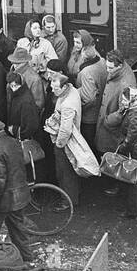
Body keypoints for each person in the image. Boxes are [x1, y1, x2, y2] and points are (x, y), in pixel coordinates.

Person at [0, 119, 37, 262]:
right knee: (18, 230)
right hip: (20, 194)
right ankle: (28, 258)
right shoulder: (13, 142)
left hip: (5, 199)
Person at [109, 86, 137, 220]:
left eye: (125, 99)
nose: (123, 101)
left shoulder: (135, 114)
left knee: (132, 180)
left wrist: (121, 148)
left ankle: (132, 211)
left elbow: (131, 136)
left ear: (133, 99)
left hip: (135, 151)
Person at [45, 69, 83, 205]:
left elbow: (65, 130)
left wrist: (59, 144)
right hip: (71, 138)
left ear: (64, 86)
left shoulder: (67, 104)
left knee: (64, 172)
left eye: (56, 88)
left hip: (65, 142)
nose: (52, 90)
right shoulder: (72, 91)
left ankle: (68, 201)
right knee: (70, 170)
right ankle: (74, 194)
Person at [96, 49, 136, 155]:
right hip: (107, 128)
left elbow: (124, 112)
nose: (107, 70)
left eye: (110, 68)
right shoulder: (120, 69)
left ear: (119, 66)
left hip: (111, 132)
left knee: (108, 160)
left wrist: (108, 121)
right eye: (107, 66)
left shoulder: (126, 85)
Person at [72, 30, 107, 150]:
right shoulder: (99, 60)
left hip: (89, 116)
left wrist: (79, 107)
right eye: (74, 42)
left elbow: (89, 98)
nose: (76, 45)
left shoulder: (87, 70)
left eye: (78, 42)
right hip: (94, 106)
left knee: (88, 144)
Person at [7, 43, 46, 113]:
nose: (15, 65)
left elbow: (39, 104)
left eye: (18, 63)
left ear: (25, 62)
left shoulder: (35, 79)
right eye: (13, 62)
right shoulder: (12, 71)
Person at [5, 68, 42, 141]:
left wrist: (15, 130)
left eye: (16, 86)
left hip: (23, 137)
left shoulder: (26, 101)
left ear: (21, 84)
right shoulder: (15, 93)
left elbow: (31, 126)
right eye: (11, 86)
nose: (14, 89)